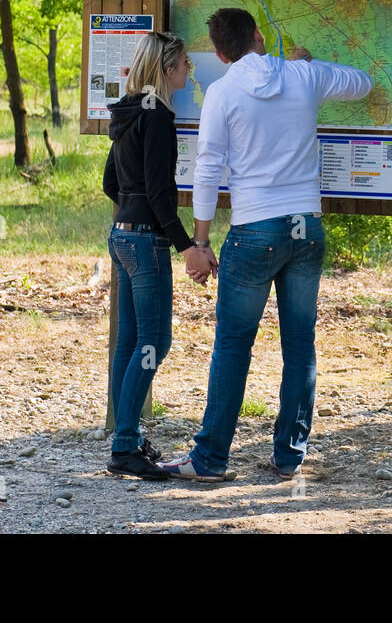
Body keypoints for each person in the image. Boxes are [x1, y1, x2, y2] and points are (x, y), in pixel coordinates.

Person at [161, 8, 372, 481]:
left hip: (254, 229)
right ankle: (289, 456)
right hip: (305, 226)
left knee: (234, 345)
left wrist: (200, 240)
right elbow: (360, 83)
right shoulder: (303, 75)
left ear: (220, 54)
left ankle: (211, 458)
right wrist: (307, 65)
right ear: (259, 36)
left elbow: (210, 167)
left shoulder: (221, 92)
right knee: (300, 345)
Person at [102, 30, 218, 480]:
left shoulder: (128, 112)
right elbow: (159, 192)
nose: (189, 70)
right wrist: (187, 246)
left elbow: (111, 183)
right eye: (185, 64)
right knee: (154, 341)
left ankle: (126, 437)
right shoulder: (158, 118)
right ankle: (125, 446)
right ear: (168, 69)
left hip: (121, 236)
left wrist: (136, 212)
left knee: (130, 342)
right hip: (146, 241)